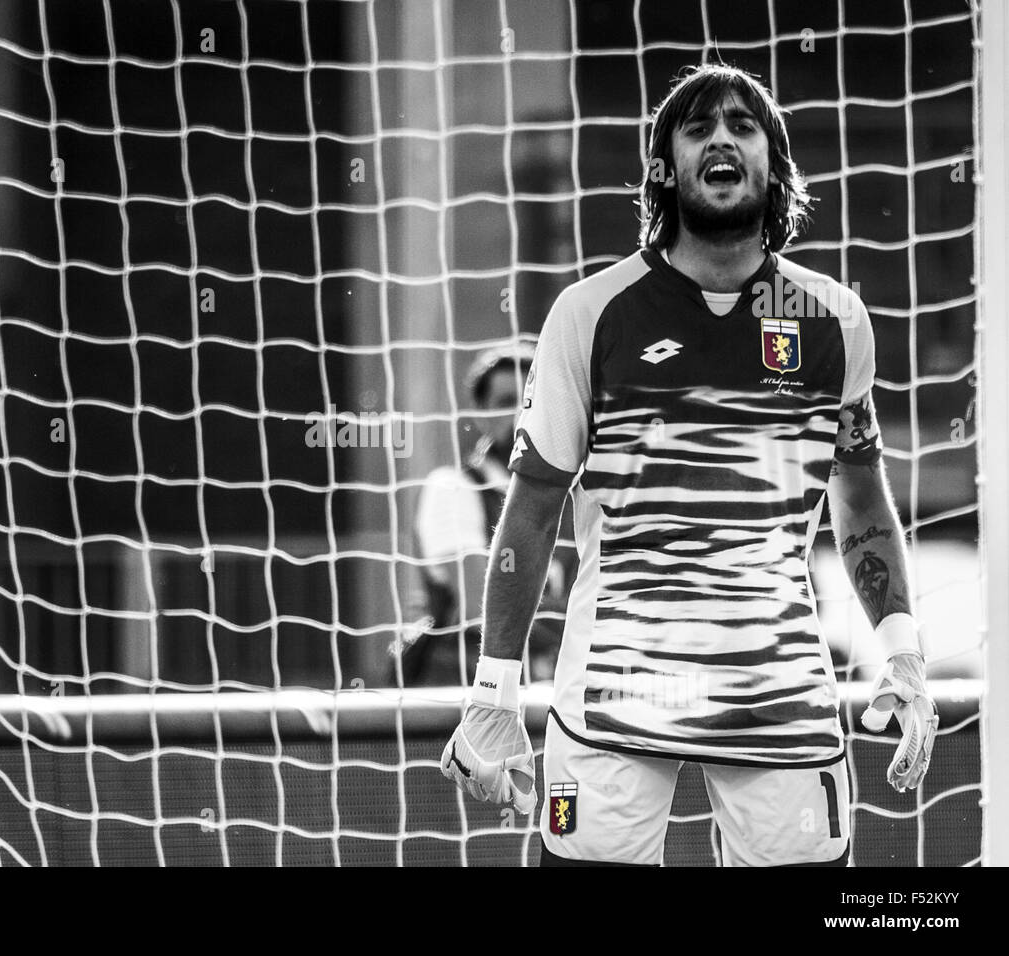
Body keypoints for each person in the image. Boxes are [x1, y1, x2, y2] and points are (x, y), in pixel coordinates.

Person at [439, 64, 938, 867]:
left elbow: (863, 501)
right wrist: (494, 690)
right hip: (614, 692)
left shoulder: (834, 319)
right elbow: (530, 509)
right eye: (698, 128)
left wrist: (904, 654)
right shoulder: (590, 313)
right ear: (665, 169)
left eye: (743, 127)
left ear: (773, 163)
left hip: (778, 694)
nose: (721, 140)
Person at [396, 343, 573, 685]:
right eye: (507, 402)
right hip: (460, 690)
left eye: (532, 400)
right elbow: (481, 606)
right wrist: (580, 628)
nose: (521, 414)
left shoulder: (574, 496)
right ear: (480, 415)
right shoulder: (453, 487)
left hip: (546, 690)